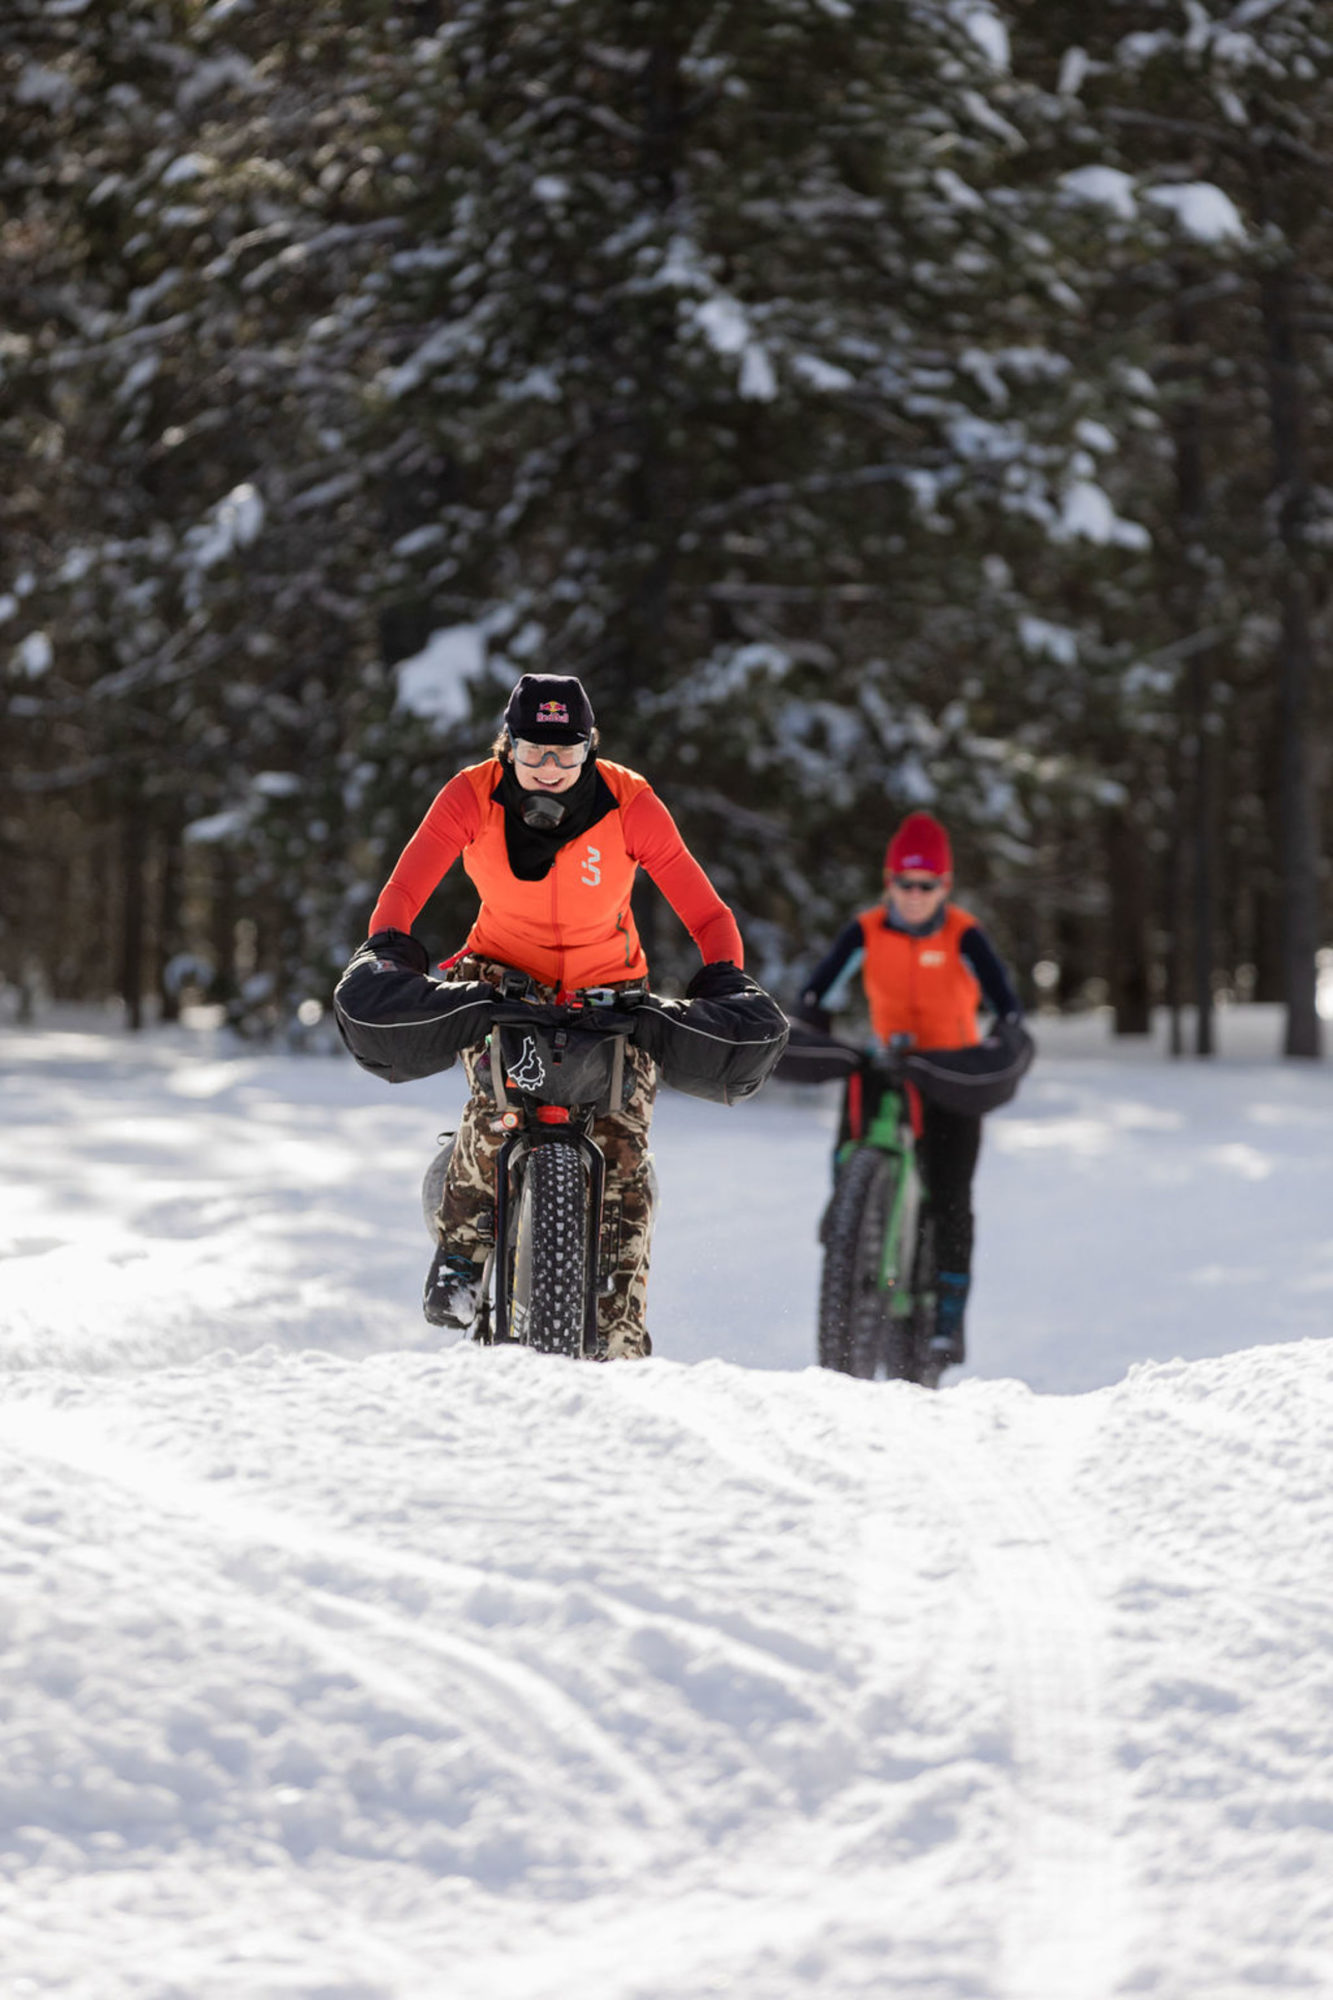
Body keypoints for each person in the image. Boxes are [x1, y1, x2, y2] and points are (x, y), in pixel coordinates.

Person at [365, 671, 746, 1358]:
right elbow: (405, 885)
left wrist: (724, 976)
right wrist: (388, 951)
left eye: (566, 755)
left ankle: (620, 1321)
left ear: (589, 749)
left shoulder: (630, 802)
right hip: (499, 976)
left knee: (623, 1154)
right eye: (533, 753)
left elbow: (706, 911)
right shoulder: (469, 795)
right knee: (497, 1104)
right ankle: (460, 1254)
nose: (549, 770)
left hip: (612, 989)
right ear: (506, 745)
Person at [796, 810, 1021, 1375]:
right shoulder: (868, 929)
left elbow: (1006, 1004)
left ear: (945, 887)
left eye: (927, 885)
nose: (914, 895)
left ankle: (947, 1318)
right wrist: (814, 1026)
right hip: (888, 1058)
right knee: (854, 1131)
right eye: (904, 883)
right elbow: (817, 988)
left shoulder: (962, 933)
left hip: (949, 1071)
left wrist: (1001, 1044)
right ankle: (847, 1219)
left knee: (950, 1195)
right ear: (887, 881)